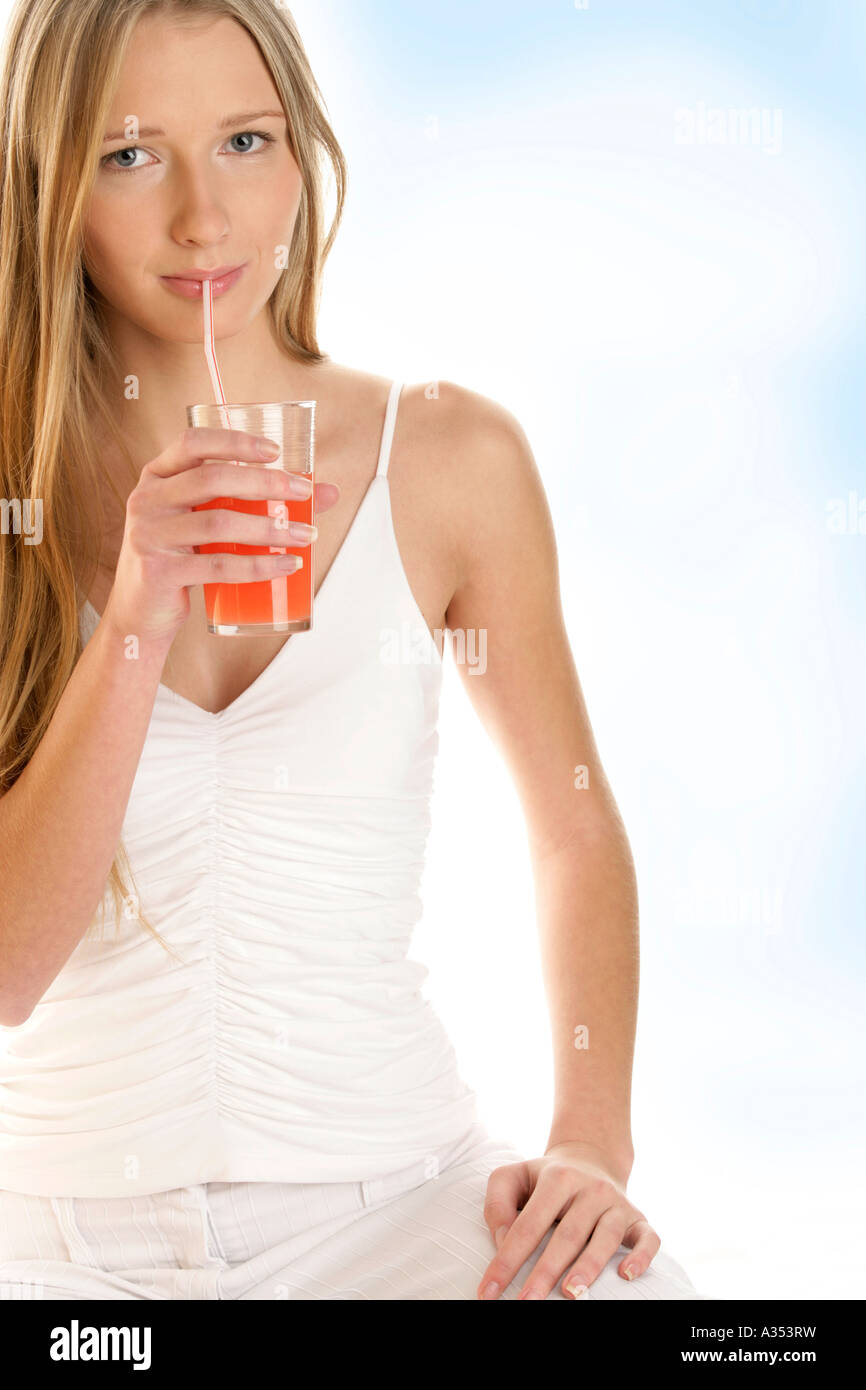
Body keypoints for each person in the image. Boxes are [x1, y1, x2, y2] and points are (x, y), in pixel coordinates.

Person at [0, 0, 703, 1301]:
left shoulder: (446, 457)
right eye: (131, 155)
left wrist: (588, 1143)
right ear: (44, 176)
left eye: (248, 142)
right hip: (60, 1252)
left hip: (403, 1212)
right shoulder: (12, 498)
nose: (206, 221)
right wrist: (141, 611)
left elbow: (570, 827)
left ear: (303, 154)